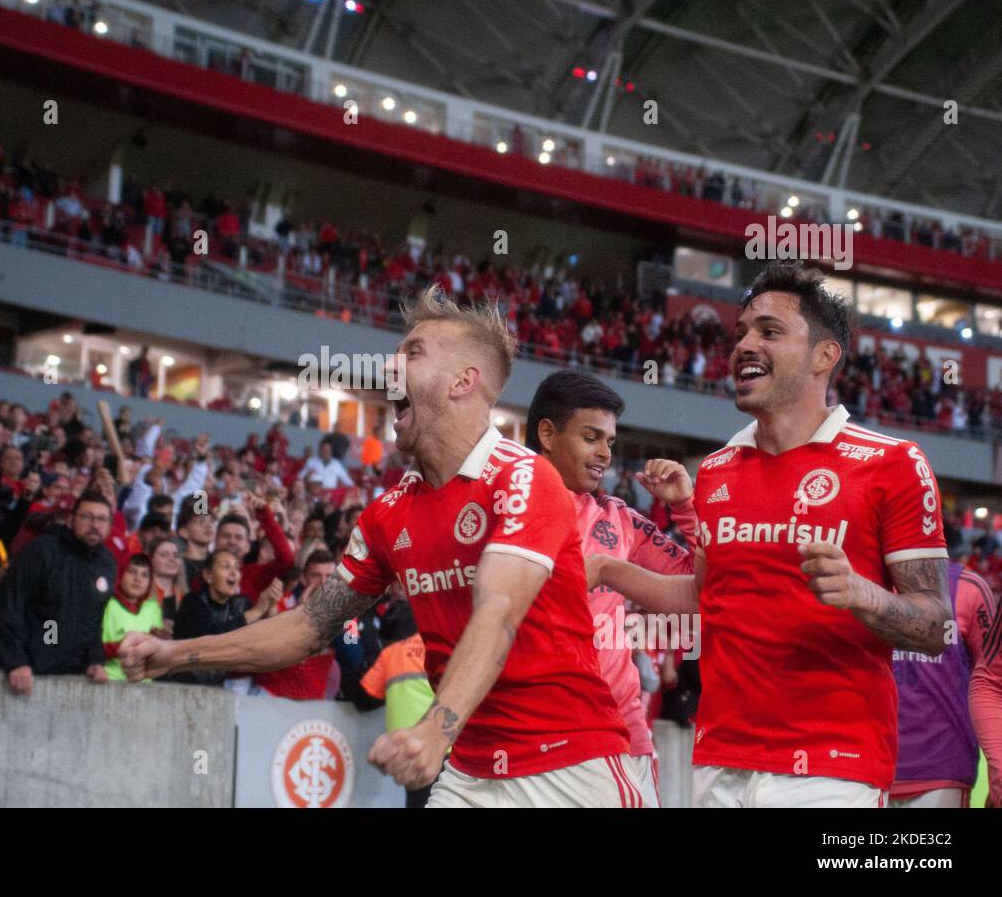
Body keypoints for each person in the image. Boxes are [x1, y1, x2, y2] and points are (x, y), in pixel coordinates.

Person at [121, 285, 637, 807]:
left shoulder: (526, 477)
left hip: (572, 764)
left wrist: (433, 730)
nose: (391, 365)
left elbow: (498, 611)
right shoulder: (389, 513)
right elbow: (307, 627)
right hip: (470, 767)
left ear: (464, 381)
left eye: (412, 353)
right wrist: (177, 654)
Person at [591, 262, 952, 807]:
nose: (744, 345)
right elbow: (704, 597)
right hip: (721, 761)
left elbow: (936, 625)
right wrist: (607, 569)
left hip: (833, 769)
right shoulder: (716, 471)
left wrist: (860, 592)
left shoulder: (894, 464)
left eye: (769, 331)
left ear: (825, 357)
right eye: (740, 334)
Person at [524, 369, 699, 808]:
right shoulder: (502, 504)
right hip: (524, 726)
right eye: (591, 437)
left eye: (610, 442)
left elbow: (704, 581)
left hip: (619, 729)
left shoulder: (619, 518)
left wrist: (685, 506)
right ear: (547, 433)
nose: (605, 453)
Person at [891, 562, 1001, 808]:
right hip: (866, 767)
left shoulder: (968, 587)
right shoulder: (862, 583)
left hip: (943, 768)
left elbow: (991, 681)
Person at [0, 491, 115, 696]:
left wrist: (94, 660)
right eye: (87, 517)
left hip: (73, 676)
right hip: (29, 671)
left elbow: (94, 618)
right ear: (70, 519)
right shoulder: (43, 550)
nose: (95, 524)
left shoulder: (107, 563)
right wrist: (16, 661)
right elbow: (10, 604)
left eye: (102, 519)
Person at [360, 597, 435, 808]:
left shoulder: (390, 653)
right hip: (449, 744)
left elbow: (365, 697)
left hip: (410, 752)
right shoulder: (442, 646)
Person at [170, 550, 281, 686]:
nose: (234, 573)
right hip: (180, 685)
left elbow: (267, 642)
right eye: (226, 567)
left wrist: (271, 606)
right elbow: (207, 638)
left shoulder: (240, 604)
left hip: (216, 689)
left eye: (237, 568)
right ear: (208, 575)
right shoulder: (192, 601)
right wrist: (255, 612)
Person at [252, 549, 340, 699]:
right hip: (271, 697)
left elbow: (352, 652)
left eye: (330, 576)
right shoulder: (280, 604)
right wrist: (300, 616)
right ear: (304, 579)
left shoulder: (346, 614)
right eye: (315, 575)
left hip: (313, 703)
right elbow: (267, 647)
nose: (324, 582)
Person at [100, 553, 163, 681]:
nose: (138, 579)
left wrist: (161, 642)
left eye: (144, 575)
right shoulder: (105, 605)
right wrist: (127, 646)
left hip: (145, 684)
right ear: (120, 573)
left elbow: (159, 656)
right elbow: (94, 651)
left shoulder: (153, 608)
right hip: (110, 680)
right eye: (131, 572)